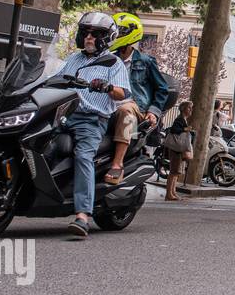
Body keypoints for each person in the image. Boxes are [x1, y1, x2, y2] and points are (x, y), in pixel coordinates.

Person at [56, 12, 131, 237]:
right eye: (86, 33)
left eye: (95, 34)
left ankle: (82, 216)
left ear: (107, 38)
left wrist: (107, 87)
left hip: (90, 120)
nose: (89, 38)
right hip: (62, 115)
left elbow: (122, 93)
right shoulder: (73, 59)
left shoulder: (113, 63)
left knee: (83, 156)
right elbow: (56, 79)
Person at [104, 12, 171, 185]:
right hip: (109, 105)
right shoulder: (109, 60)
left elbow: (162, 89)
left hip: (136, 107)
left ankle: (117, 164)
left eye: (120, 32)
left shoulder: (146, 61)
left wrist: (154, 111)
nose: (116, 35)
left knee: (125, 110)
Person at [164, 100, 194, 201]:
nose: (191, 110)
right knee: (173, 172)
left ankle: (173, 192)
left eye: (191, 108)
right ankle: (169, 194)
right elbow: (174, 130)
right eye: (189, 108)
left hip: (178, 150)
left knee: (176, 173)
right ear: (183, 109)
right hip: (176, 149)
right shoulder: (179, 119)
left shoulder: (183, 119)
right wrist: (185, 129)